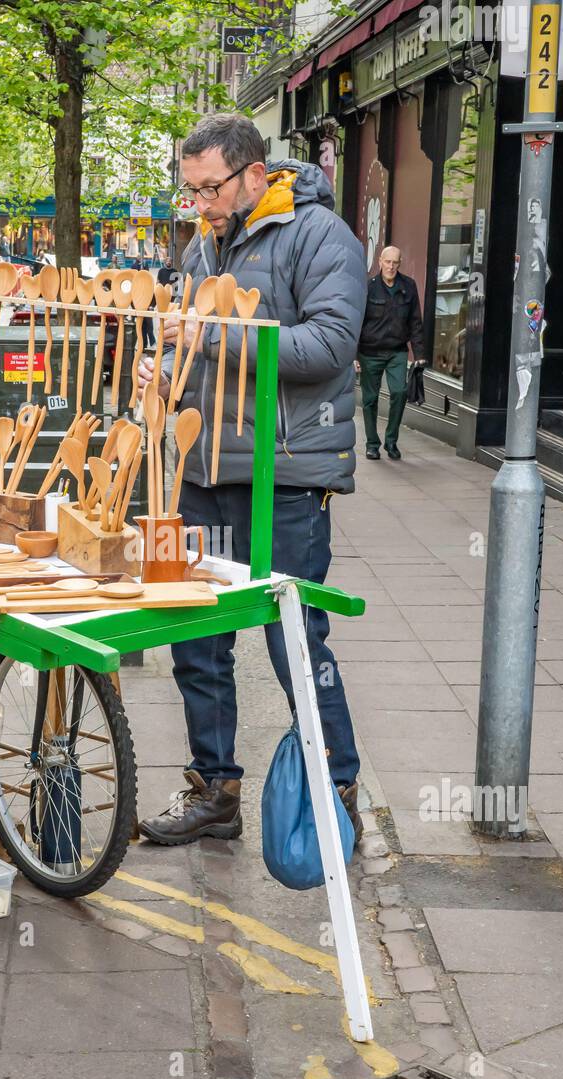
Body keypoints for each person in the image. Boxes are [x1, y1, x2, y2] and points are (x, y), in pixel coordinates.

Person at [136, 111, 367, 846]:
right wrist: (164, 370)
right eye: (191, 191)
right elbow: (193, 349)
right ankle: (215, 791)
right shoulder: (205, 246)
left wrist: (211, 335)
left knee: (293, 637)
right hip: (203, 464)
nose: (198, 205)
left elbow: (328, 346)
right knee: (194, 638)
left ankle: (336, 794)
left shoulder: (321, 237)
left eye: (209, 190)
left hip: (287, 472)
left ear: (255, 175)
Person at [356, 245, 426, 460]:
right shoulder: (368, 288)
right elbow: (356, 323)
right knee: (370, 399)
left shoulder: (409, 286)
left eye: (395, 262)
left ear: (399, 263)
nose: (391, 266)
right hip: (370, 352)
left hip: (397, 351)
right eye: (388, 262)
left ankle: (391, 441)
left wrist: (419, 353)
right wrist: (354, 356)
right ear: (380, 262)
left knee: (399, 392)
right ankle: (372, 444)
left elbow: (415, 321)